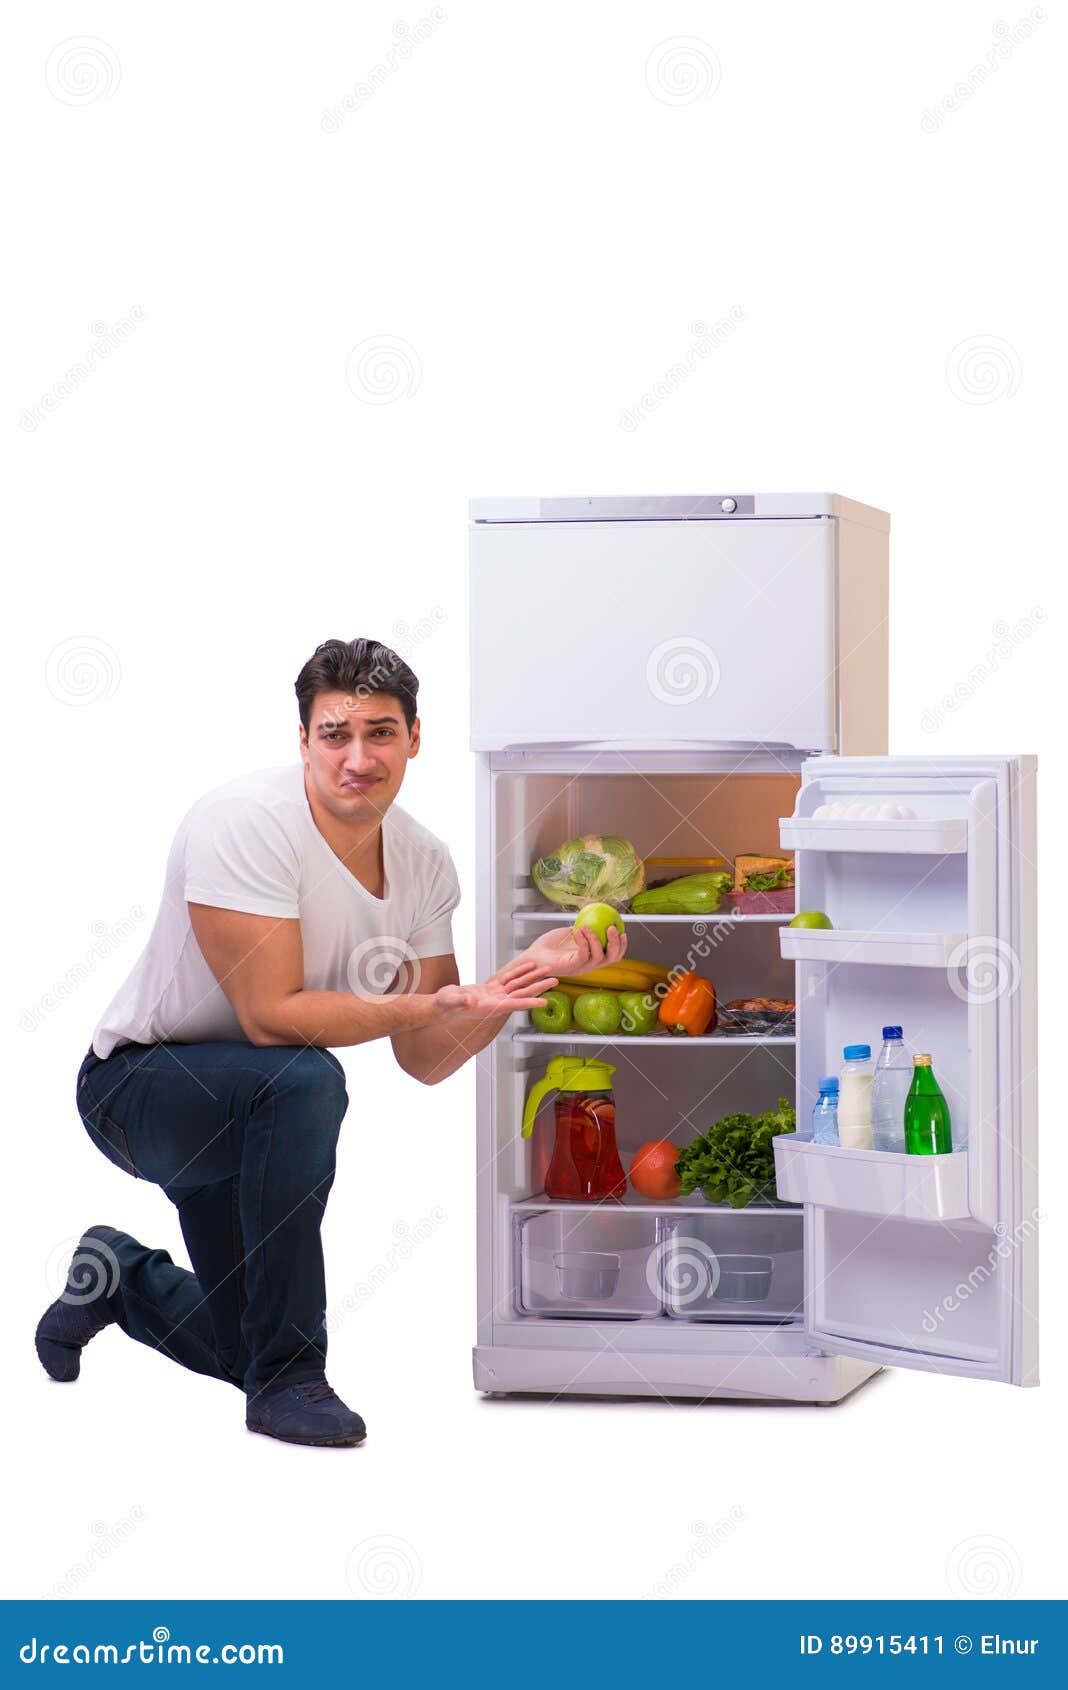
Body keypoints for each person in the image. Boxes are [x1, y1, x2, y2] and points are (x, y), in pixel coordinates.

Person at [35, 637, 626, 1448]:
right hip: (140, 1089)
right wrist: (433, 1003)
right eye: (335, 734)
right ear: (303, 740)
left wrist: (516, 981)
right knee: (304, 1077)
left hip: (256, 1121)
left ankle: (114, 1276)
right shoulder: (244, 822)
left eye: (380, 733)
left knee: (235, 1338)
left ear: (415, 738)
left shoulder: (422, 862)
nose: (358, 758)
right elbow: (271, 1017)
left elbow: (427, 1058)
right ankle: (291, 1380)